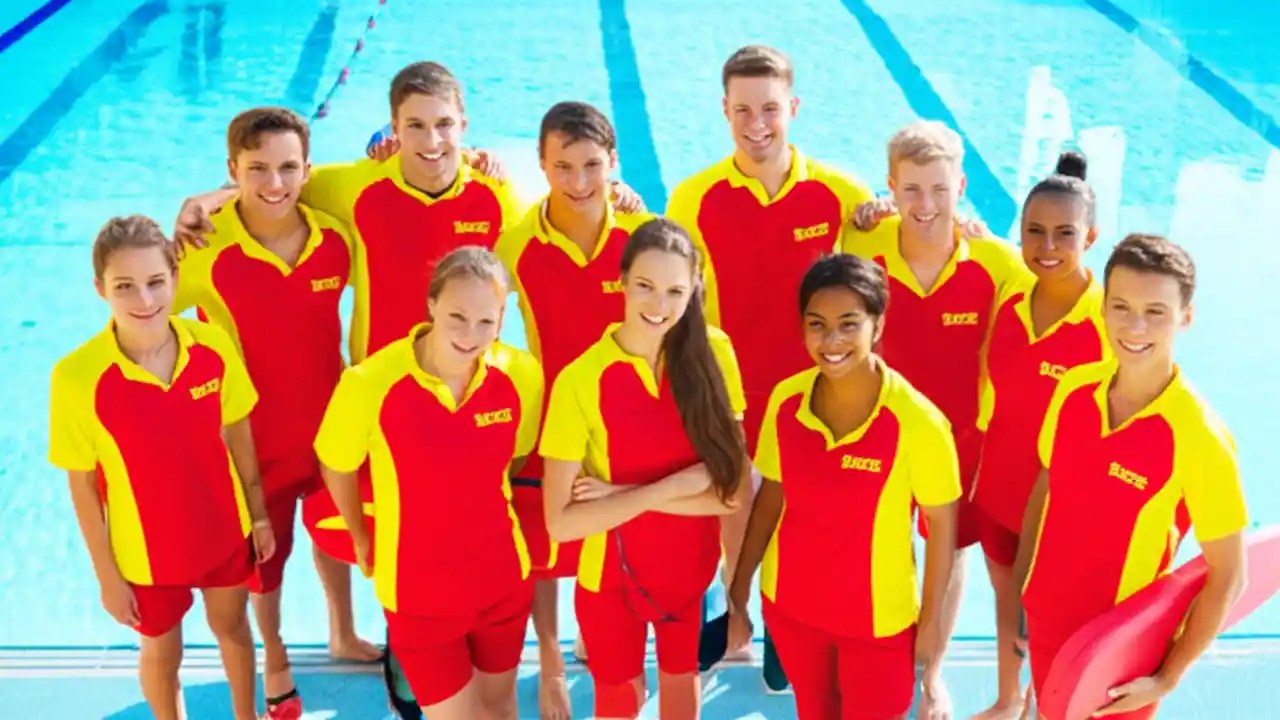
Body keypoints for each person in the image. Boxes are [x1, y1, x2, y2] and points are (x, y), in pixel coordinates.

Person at [664, 44, 875, 683]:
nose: (758, 124)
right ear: (724, 111)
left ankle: (788, 617)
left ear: (794, 108)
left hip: (813, 387)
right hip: (728, 384)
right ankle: (735, 610)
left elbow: (887, 265)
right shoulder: (694, 197)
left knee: (802, 511)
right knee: (734, 502)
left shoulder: (841, 195)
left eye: (771, 109)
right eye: (743, 110)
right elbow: (672, 292)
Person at [170, 106, 379, 717]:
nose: (275, 184)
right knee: (266, 560)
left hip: (328, 427)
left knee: (335, 535)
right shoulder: (204, 249)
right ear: (232, 170)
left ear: (307, 170)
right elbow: (138, 294)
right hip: (251, 442)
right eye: (257, 169)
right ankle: (276, 654)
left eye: (288, 168)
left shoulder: (334, 236)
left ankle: (341, 629)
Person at [48, 216, 275, 720]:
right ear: (99, 289)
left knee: (234, 628)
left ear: (175, 276)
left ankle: (248, 716)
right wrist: (107, 576)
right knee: (162, 652)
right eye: (124, 286)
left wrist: (258, 516)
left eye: (155, 282)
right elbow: (84, 487)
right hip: (145, 555)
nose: (144, 301)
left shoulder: (212, 346)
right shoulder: (77, 377)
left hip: (222, 530)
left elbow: (240, 437)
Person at [1013, 234, 1248, 719]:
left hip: (1117, 656)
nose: (1134, 326)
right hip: (1046, 624)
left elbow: (1229, 575)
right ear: (1103, 307)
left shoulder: (1199, 435)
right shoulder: (1075, 389)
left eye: (1155, 312)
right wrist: (1022, 589)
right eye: (1120, 306)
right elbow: (1047, 486)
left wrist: (1166, 676)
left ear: (1186, 317)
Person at [844, 120, 1031, 710]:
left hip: (960, 441)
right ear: (890, 189)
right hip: (876, 432)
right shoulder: (860, 251)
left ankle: (930, 669)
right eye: (912, 190)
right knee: (874, 550)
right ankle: (875, 655)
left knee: (947, 559)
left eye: (940, 190)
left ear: (962, 185)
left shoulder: (997, 263)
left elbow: (1058, 311)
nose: (926, 206)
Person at [314, 246, 544, 720]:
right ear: (432, 303)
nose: (470, 334)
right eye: (457, 315)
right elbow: (336, 462)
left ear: (503, 318)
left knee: (502, 710)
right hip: (419, 597)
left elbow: (513, 457)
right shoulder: (370, 383)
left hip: (502, 579)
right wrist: (360, 534)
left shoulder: (522, 375)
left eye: (487, 321)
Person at [727, 253, 960, 720]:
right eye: (817, 324)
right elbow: (771, 495)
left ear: (878, 325)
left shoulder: (919, 423)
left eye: (848, 324)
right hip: (793, 612)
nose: (831, 340)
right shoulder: (786, 400)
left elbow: (942, 530)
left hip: (877, 626)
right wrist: (739, 586)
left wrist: (932, 629)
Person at [173, 61, 529, 364]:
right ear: (395, 127)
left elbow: (554, 233)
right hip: (374, 397)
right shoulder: (358, 186)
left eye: (444, 125)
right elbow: (279, 184)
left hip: (468, 396)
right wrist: (209, 198)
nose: (432, 141)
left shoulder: (497, 196)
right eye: (416, 126)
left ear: (462, 126)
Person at [539, 218, 752, 720]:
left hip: (688, 570)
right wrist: (674, 486)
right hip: (609, 579)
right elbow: (561, 522)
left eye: (675, 291)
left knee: (682, 693)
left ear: (694, 288)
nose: (659, 306)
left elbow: (733, 493)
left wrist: (617, 494)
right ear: (622, 282)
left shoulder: (714, 354)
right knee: (618, 700)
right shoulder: (581, 379)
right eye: (646, 287)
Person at [491, 100, 655, 720]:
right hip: (548, 424)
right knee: (543, 553)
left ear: (614, 163)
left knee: (621, 545)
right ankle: (553, 663)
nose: (579, 183)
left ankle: (610, 645)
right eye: (563, 167)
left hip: (626, 424)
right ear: (541, 165)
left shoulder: (641, 237)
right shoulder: (513, 246)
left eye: (592, 166)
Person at [968, 151, 1108, 720]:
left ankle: (1048, 707)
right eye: (1034, 232)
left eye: (1064, 234)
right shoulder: (1009, 301)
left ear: (1091, 237)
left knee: (1049, 620)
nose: (1047, 247)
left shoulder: (1106, 323)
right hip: (1000, 490)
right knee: (1006, 603)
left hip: (1059, 510)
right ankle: (1008, 699)